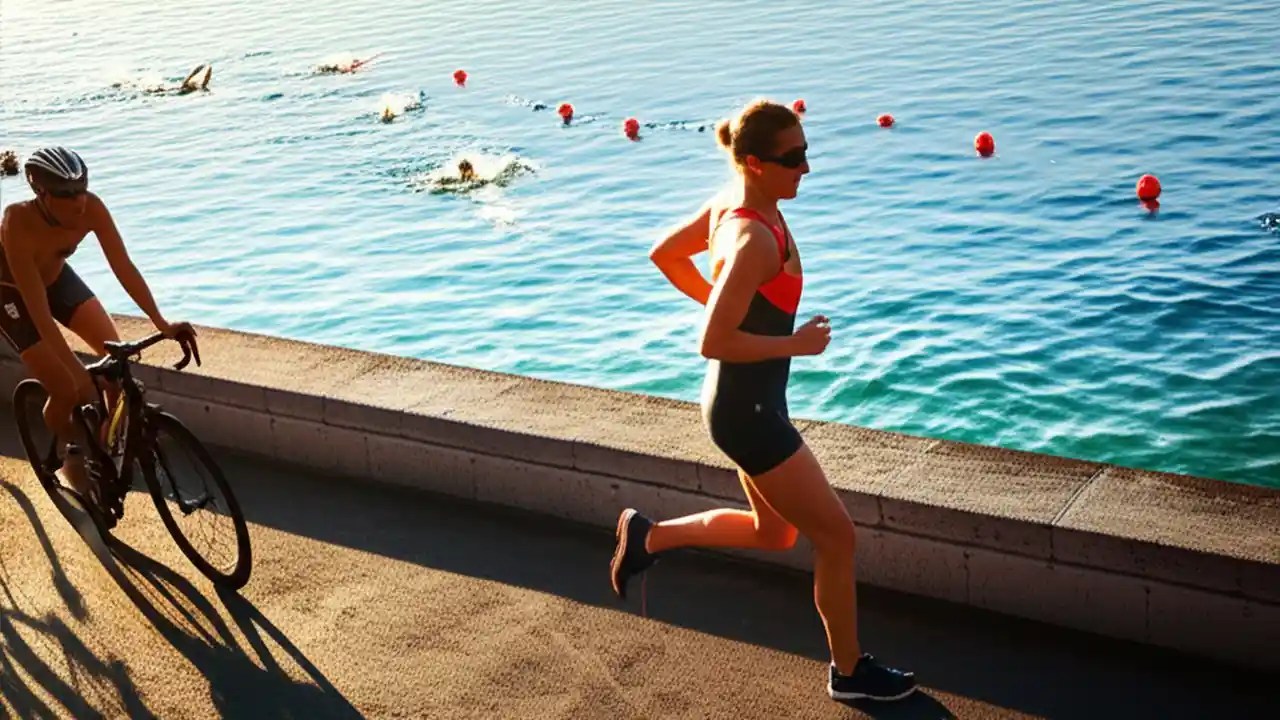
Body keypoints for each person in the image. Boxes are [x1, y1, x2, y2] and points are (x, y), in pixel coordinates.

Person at [608, 99, 917, 702]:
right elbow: (713, 341)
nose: (807, 168)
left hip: (740, 404)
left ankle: (649, 538)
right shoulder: (751, 237)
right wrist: (792, 343)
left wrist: (726, 306)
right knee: (838, 538)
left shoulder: (735, 203)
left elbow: (665, 255)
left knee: (774, 534)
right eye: (793, 158)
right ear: (754, 162)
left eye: (806, 152)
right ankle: (849, 672)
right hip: (747, 413)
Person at [0, 147, 198, 498]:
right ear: (41, 193)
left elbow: (124, 267)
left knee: (116, 364)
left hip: (57, 278)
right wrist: (74, 371)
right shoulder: (17, 222)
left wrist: (162, 323)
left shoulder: (91, 207)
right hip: (13, 295)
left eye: (82, 189)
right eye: (66, 194)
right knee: (66, 387)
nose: (79, 201)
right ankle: (72, 451)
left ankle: (104, 452)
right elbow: (39, 313)